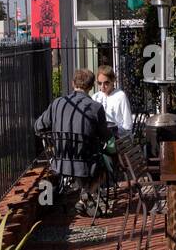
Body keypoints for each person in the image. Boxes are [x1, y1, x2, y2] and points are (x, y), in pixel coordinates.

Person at [34, 68, 110, 215]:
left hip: (60, 160)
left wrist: (53, 136)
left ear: (72, 83)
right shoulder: (96, 107)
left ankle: (83, 200)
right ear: (91, 86)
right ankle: (87, 192)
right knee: (108, 161)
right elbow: (105, 136)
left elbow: (38, 126)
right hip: (86, 163)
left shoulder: (57, 104)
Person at [92, 65, 134, 133]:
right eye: (99, 83)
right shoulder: (95, 97)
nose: (102, 86)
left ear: (113, 80)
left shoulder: (120, 96)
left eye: (106, 83)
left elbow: (128, 124)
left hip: (117, 137)